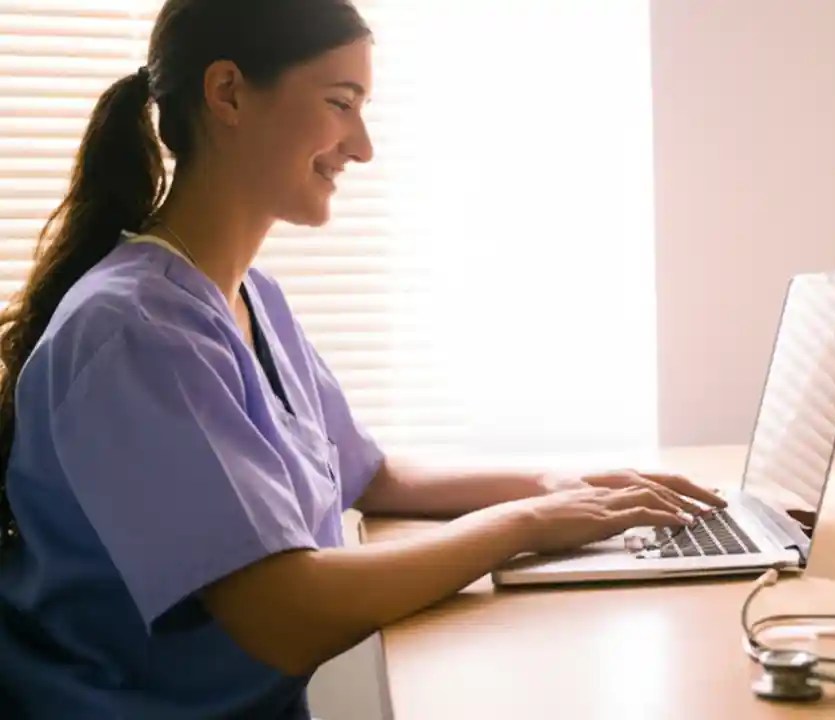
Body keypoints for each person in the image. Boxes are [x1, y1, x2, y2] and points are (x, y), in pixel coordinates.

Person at [0, 1, 724, 717]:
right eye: (340, 103)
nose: (363, 145)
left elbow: (370, 473)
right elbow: (286, 616)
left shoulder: (250, 298)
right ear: (227, 94)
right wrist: (528, 523)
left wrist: (556, 482)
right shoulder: (134, 331)